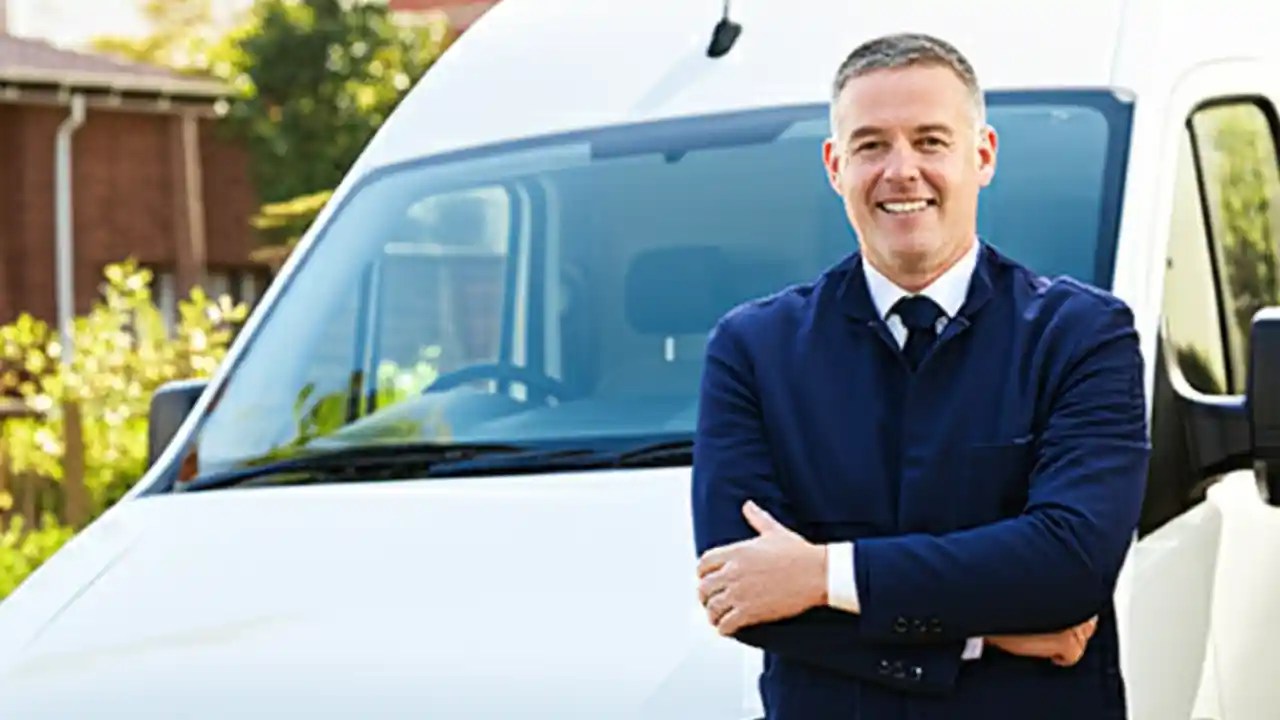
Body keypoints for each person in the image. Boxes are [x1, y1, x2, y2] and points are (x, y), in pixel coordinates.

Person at [690, 32, 1149, 719]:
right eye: (871, 145)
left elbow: (1072, 565)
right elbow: (741, 591)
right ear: (835, 165)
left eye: (931, 141)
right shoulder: (752, 349)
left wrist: (821, 574)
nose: (901, 170)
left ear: (982, 155)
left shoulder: (1081, 334)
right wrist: (980, 634)